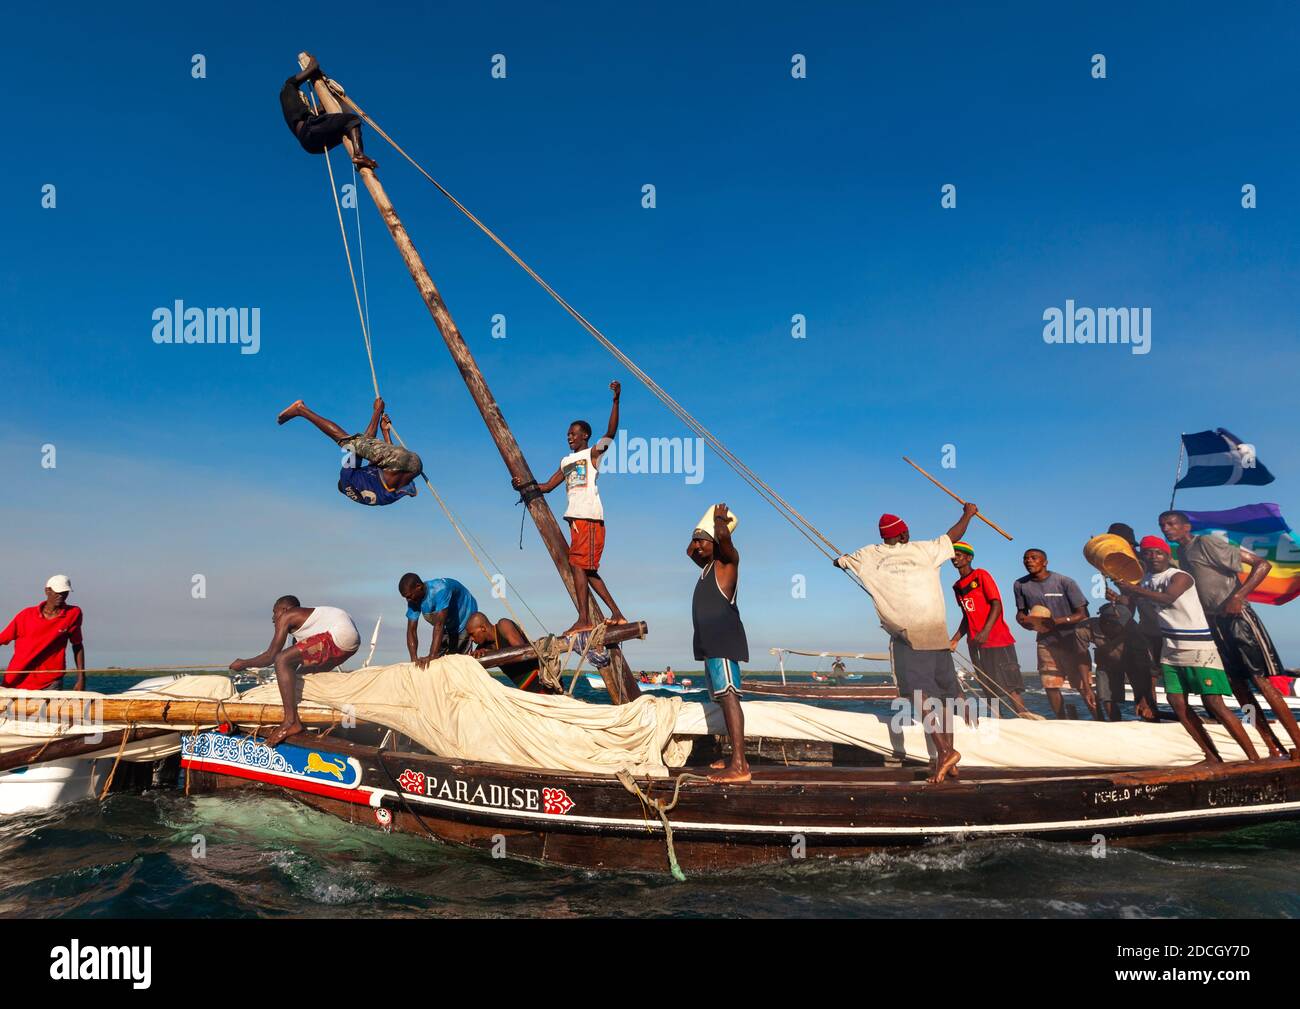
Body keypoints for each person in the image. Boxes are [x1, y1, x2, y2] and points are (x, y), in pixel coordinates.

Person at [835, 503, 980, 782]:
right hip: (937, 632)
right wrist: (968, 513)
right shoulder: (924, 550)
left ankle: (944, 752)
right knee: (944, 698)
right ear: (903, 535)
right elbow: (954, 535)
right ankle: (949, 758)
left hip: (908, 635)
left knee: (919, 695)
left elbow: (840, 561)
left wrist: (841, 560)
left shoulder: (868, 554)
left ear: (884, 538)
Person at [1160, 509, 1300, 759]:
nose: (1166, 528)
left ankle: (1299, 744)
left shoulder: (1207, 543)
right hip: (1214, 624)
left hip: (1238, 618)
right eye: (1163, 525)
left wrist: (1238, 596)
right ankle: (1270, 744)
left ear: (1186, 527)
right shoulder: (1180, 553)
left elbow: (1262, 564)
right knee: (1238, 687)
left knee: (1261, 682)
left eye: (1171, 524)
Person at [1120, 537, 1260, 763]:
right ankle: (1211, 755)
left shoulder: (1180, 576)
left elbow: (1168, 597)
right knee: (1177, 704)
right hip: (1171, 649)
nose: (1153, 557)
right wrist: (1121, 595)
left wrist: (1134, 590)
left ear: (1167, 556)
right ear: (1143, 557)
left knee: (1214, 703)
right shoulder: (1145, 580)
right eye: (1148, 553)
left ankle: (1253, 757)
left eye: (1158, 552)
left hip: (1198, 647)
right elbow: (1138, 600)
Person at [515, 381, 627, 634]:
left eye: (573, 433)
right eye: (568, 434)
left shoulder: (592, 455)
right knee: (585, 569)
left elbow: (611, 432)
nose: (569, 437)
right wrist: (523, 486)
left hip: (589, 517)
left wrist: (616, 400)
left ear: (585, 436)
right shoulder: (567, 461)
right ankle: (616, 614)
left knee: (580, 567)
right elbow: (546, 486)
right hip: (575, 521)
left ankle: (585, 619)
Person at [229, 596, 359, 747]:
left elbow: (271, 656)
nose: (273, 618)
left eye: (274, 612)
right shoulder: (303, 631)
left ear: (284, 610)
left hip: (339, 633)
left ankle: (291, 721)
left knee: (281, 659)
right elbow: (290, 671)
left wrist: (243, 663)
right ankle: (318, 714)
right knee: (301, 677)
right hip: (349, 643)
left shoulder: (287, 616)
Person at [688, 503, 750, 784]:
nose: (696, 545)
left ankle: (740, 764)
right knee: (721, 699)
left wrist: (720, 523)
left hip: (723, 642)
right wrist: (700, 530)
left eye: (702, 540)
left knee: (729, 697)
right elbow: (689, 551)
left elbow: (725, 542)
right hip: (709, 645)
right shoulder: (707, 567)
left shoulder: (726, 564)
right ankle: (731, 756)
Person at [278, 397, 421, 507]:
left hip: (416, 466)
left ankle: (301, 410)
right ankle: (301, 409)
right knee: (349, 443)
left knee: (368, 450)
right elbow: (362, 443)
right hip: (399, 461)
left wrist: (385, 432)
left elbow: (393, 467)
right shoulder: (347, 478)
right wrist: (377, 410)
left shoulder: (374, 491)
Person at [1013, 549, 1099, 719]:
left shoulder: (1065, 582)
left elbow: (1083, 614)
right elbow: (1021, 611)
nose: (1029, 561)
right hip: (1045, 641)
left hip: (1071, 640)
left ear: (1045, 562)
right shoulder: (1020, 585)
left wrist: (1056, 622)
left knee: (1083, 685)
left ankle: (1099, 720)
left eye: (1034, 558)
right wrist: (1022, 621)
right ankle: (1060, 721)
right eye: (1026, 558)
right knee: (1050, 684)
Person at [948, 541, 1026, 715]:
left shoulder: (981, 575)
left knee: (1011, 686)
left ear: (968, 558)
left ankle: (1025, 722)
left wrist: (985, 631)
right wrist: (955, 640)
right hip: (975, 644)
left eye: (958, 555)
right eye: (952, 555)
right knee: (988, 688)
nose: (954, 558)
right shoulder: (957, 587)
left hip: (997, 640)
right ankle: (998, 725)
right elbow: (967, 616)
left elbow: (996, 604)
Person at [1103, 522, 1161, 720]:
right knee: (1147, 669)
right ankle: (1148, 710)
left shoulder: (1141, 563)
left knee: (1154, 671)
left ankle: (1150, 709)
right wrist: (1118, 599)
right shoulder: (1122, 566)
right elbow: (1131, 602)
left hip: (1163, 624)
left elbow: (1140, 596)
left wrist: (1123, 599)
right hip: (1148, 625)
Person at [279, 57, 378, 170]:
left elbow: (322, 114)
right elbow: (313, 67)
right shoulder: (289, 85)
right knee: (352, 120)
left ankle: (358, 160)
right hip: (310, 129)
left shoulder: (292, 107)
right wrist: (311, 58)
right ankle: (359, 155)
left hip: (310, 145)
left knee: (345, 131)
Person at [0, 575, 86, 691]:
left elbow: (77, 645)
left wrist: (81, 679)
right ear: (47, 590)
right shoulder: (26, 615)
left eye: (65, 592)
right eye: (58, 592)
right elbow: (2, 639)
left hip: (50, 682)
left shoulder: (73, 613)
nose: (61, 596)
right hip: (16, 679)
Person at [1080, 603, 1157, 722]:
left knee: (1145, 701)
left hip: (1133, 662)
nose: (1124, 628)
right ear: (1107, 623)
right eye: (1120, 626)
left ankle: (1152, 721)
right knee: (1106, 696)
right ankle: (1114, 723)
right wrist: (1087, 688)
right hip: (1106, 663)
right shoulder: (1084, 629)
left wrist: (1144, 699)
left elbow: (1146, 668)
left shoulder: (1134, 629)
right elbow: (1081, 658)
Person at [465, 612, 560, 694]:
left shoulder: (503, 625)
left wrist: (493, 654)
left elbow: (523, 653)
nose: (471, 639)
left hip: (547, 685)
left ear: (483, 628)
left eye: (472, 634)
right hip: (529, 694)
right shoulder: (482, 648)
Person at [400, 573, 479, 665]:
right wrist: (414, 659)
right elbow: (411, 630)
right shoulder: (413, 600)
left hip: (464, 617)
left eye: (409, 596)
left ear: (418, 587)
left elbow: (439, 625)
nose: (408, 600)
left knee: (457, 660)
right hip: (446, 623)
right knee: (437, 660)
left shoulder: (440, 589)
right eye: (405, 597)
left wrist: (432, 655)